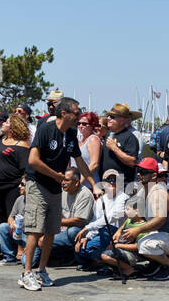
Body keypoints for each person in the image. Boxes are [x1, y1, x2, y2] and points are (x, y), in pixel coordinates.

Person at [20, 97, 101, 290]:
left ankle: (41, 271)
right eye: (76, 113)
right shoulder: (45, 130)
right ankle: (26, 273)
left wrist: (93, 184)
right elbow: (33, 160)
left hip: (55, 186)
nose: (78, 117)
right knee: (36, 229)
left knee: (50, 230)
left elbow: (80, 161)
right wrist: (55, 175)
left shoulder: (71, 133)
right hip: (38, 184)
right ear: (63, 113)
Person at [126, 158, 169, 280]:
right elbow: (130, 210)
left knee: (144, 245)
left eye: (143, 171)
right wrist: (119, 232)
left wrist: (137, 230)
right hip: (159, 235)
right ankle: (157, 264)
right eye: (138, 170)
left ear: (153, 175)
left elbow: (160, 220)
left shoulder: (158, 193)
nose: (138, 174)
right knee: (140, 241)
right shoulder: (144, 190)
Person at [73, 173, 128, 270]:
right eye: (108, 180)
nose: (112, 182)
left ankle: (106, 261)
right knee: (81, 249)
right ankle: (103, 260)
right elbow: (96, 221)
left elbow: (111, 217)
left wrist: (87, 228)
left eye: (115, 179)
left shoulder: (124, 197)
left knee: (105, 228)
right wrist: (87, 237)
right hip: (104, 235)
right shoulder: (100, 200)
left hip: (120, 236)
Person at [48, 167, 96, 264]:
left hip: (84, 230)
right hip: (65, 229)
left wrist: (54, 221)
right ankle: (69, 256)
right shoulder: (62, 191)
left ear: (76, 182)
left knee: (73, 231)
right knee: (42, 241)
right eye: (62, 180)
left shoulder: (85, 194)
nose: (62, 183)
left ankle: (83, 261)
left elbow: (78, 221)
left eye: (66, 180)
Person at [0, 112, 31, 219]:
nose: (3, 124)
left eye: (6, 122)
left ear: (13, 127)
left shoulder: (22, 144)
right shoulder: (0, 140)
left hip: (12, 188)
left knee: (11, 218)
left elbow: (26, 169)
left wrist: (23, 186)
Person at [100, 103, 142, 186]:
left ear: (123, 120)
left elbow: (132, 162)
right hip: (106, 185)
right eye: (108, 116)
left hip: (122, 186)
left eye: (112, 117)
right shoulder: (108, 134)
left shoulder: (130, 138)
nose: (108, 118)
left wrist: (114, 148)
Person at [77, 111, 103, 180]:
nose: (80, 126)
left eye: (84, 124)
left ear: (92, 125)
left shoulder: (93, 139)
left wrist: (80, 181)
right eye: (79, 123)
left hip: (88, 184)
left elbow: (94, 165)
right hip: (75, 183)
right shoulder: (79, 140)